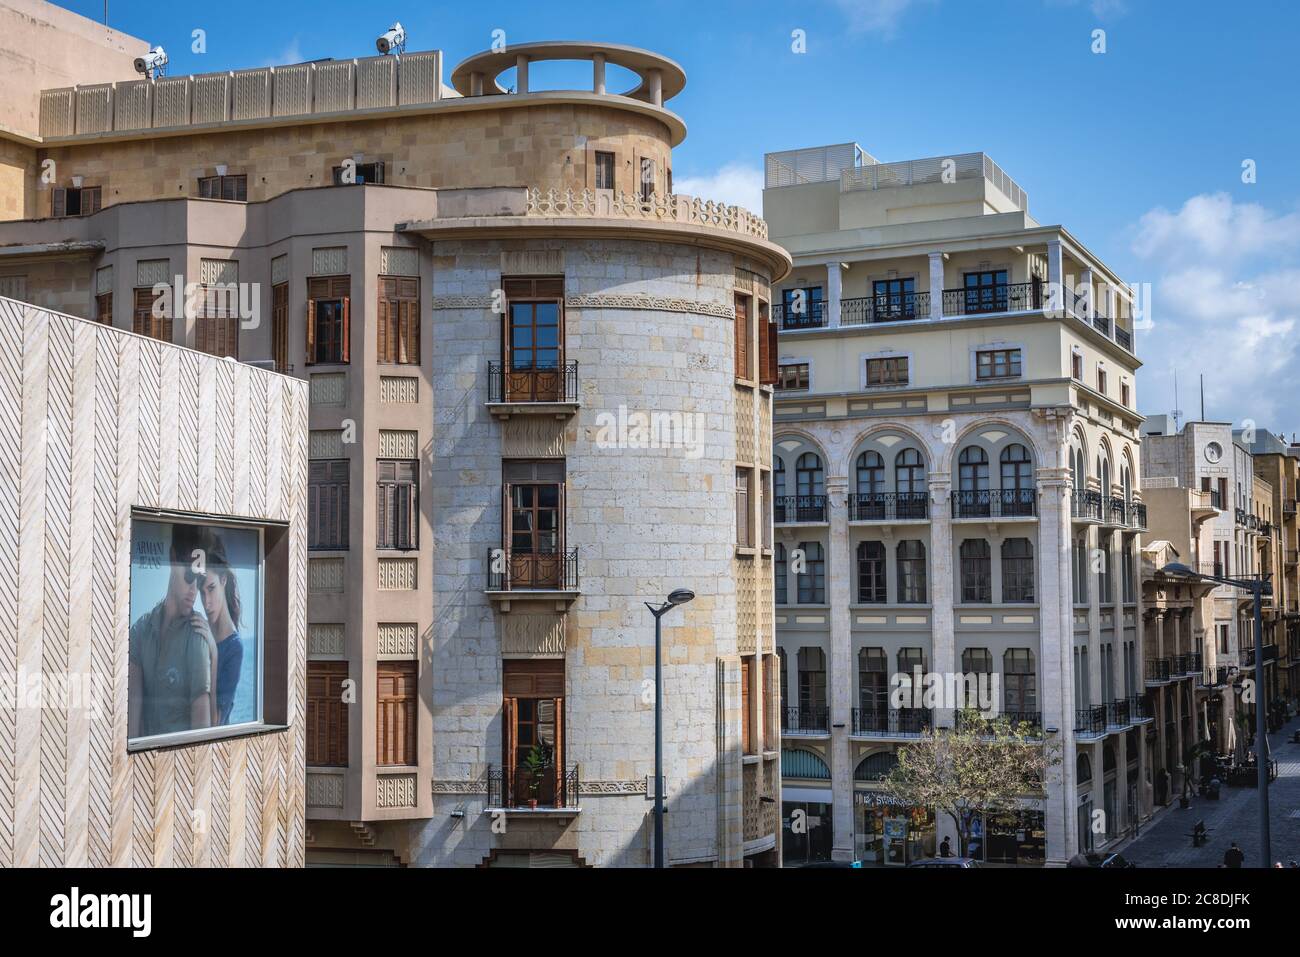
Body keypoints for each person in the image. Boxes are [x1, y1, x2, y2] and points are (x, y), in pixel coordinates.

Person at [127, 524, 215, 738]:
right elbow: (132, 717)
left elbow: (201, 734)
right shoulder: (140, 630)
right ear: (172, 558)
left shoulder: (197, 635)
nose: (194, 589)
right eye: (188, 576)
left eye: (199, 580)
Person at [199, 532, 245, 726]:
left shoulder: (234, 648)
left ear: (223, 580)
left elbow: (216, 723)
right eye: (201, 593)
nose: (206, 603)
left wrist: (213, 654)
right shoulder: (198, 630)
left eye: (211, 588)